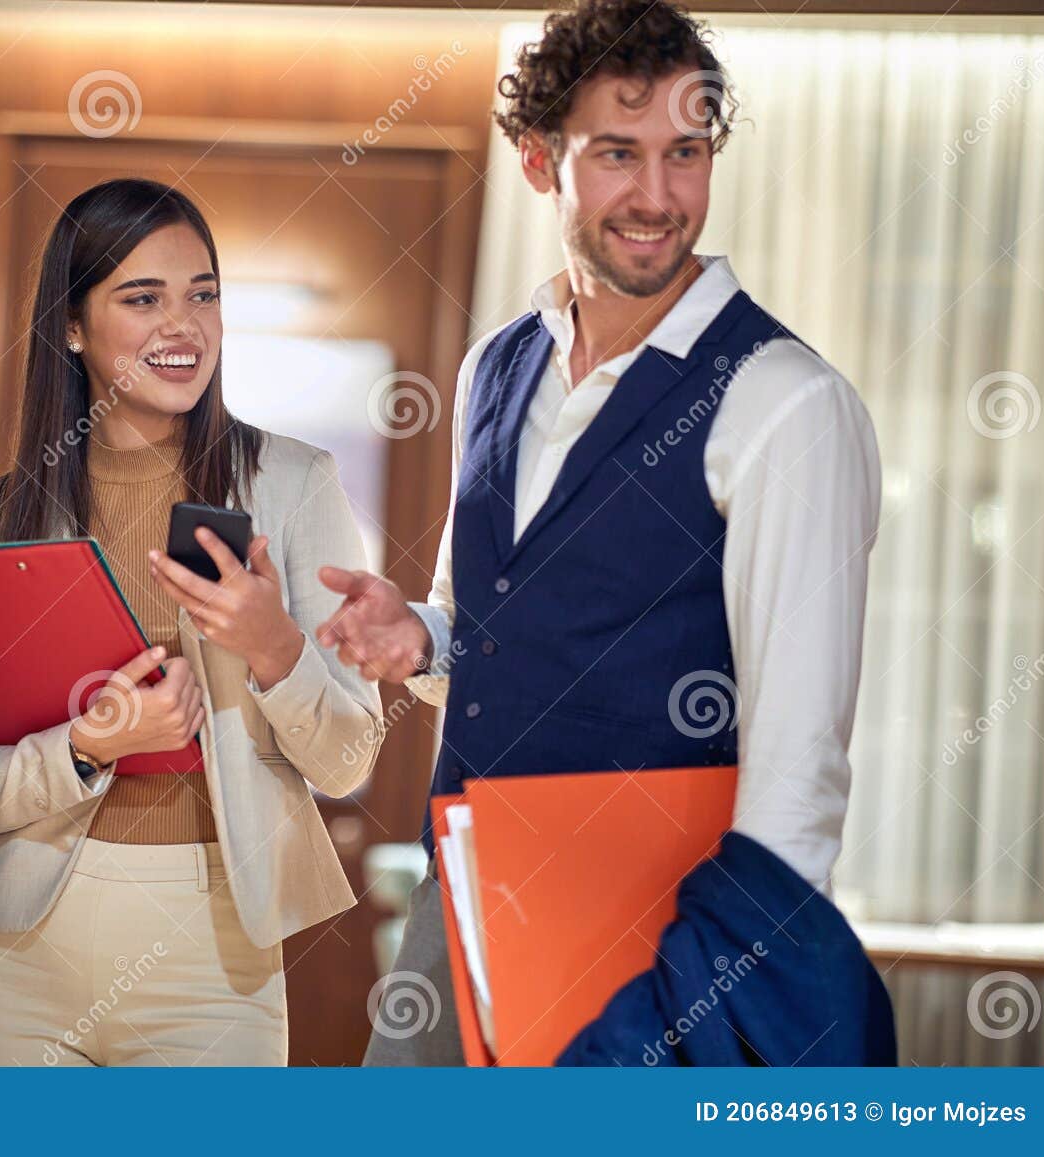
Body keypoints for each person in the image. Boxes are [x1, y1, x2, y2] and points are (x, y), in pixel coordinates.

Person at [317, 0, 896, 1065]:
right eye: (618, 154)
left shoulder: (783, 401)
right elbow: (487, 640)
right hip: (465, 905)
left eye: (686, 153)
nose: (658, 195)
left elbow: (798, 767)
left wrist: (687, 1012)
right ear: (541, 163)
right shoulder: (497, 364)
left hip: (654, 944)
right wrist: (421, 639)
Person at [0, 177, 383, 1067]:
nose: (185, 327)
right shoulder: (2, 514)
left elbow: (349, 758)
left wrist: (275, 648)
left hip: (214, 958)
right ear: (71, 325)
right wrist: (91, 743)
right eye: (143, 299)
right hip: (22, 956)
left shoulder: (294, 486)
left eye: (203, 295)